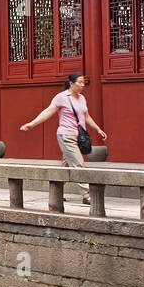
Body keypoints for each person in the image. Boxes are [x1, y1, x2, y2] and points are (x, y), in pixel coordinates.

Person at [20, 72, 107, 203]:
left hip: (78, 136)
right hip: (66, 135)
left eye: (84, 82)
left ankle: (56, 192)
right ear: (71, 83)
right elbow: (48, 112)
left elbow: (86, 116)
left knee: (66, 166)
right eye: (80, 82)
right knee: (78, 163)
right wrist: (32, 124)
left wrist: (98, 128)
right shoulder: (61, 97)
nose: (83, 85)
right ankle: (86, 194)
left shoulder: (82, 98)